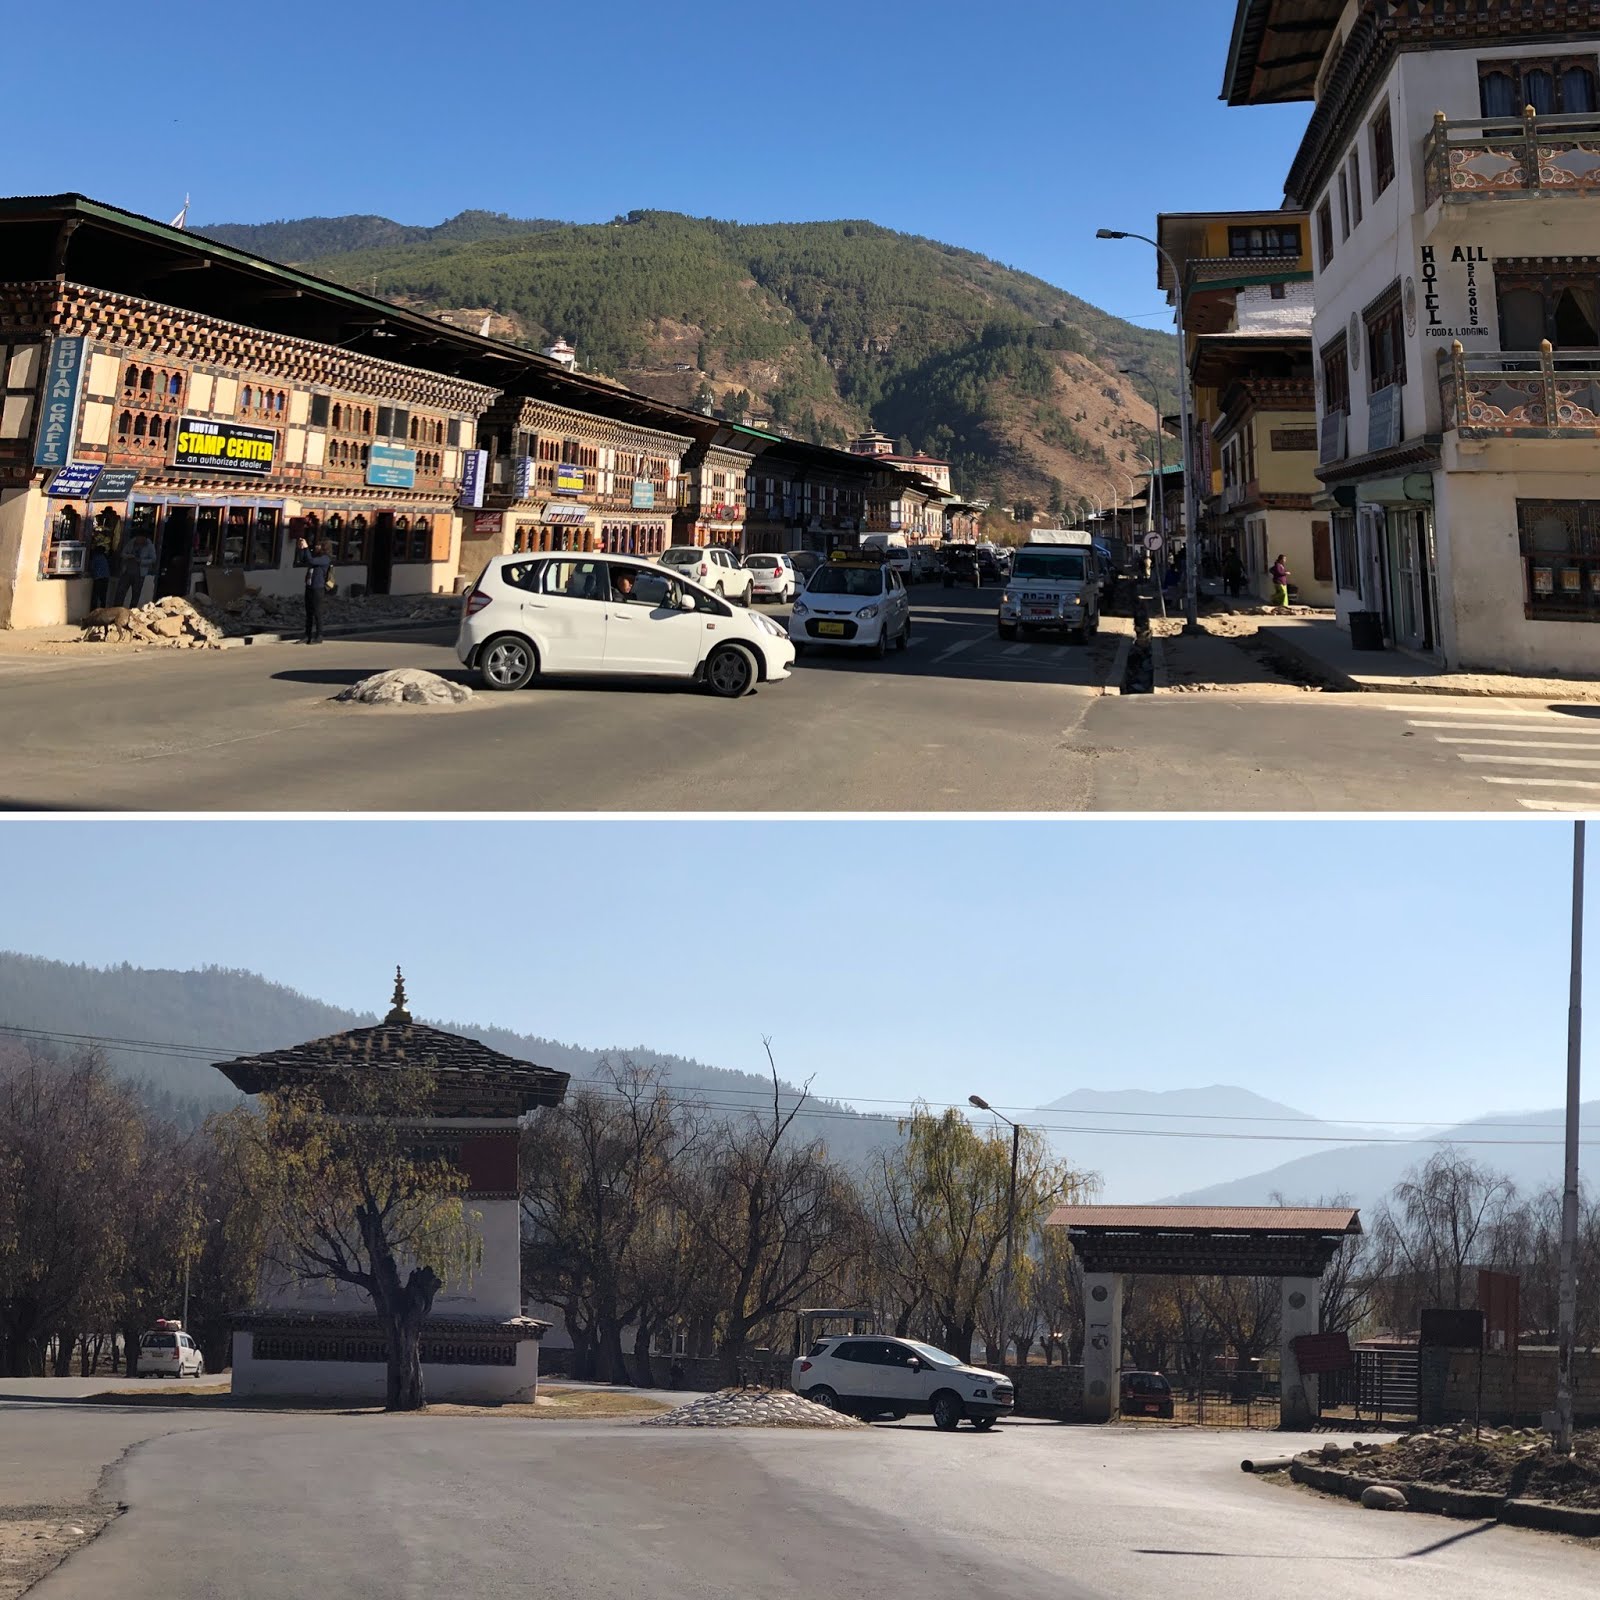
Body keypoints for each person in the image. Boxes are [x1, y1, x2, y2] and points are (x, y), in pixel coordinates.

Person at [298, 536, 332, 643]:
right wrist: (302, 548)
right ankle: (307, 635)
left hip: (318, 588)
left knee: (317, 612)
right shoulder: (316, 556)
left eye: (318, 545)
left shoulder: (325, 558)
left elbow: (311, 561)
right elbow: (304, 560)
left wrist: (307, 548)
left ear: (324, 547)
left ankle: (319, 635)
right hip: (309, 586)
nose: (316, 547)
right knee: (309, 612)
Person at [114, 530, 154, 610]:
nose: (138, 540)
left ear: (144, 538)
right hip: (127, 571)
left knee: (136, 594)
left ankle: (131, 612)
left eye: (140, 538)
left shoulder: (149, 546)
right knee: (120, 592)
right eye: (137, 538)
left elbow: (153, 559)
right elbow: (123, 554)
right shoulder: (131, 543)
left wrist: (141, 561)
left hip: (140, 573)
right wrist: (129, 556)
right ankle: (116, 610)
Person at [88, 545, 111, 611]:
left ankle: (93, 611)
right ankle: (102, 611)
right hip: (106, 578)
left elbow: (92, 568)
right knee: (103, 596)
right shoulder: (104, 558)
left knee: (95, 596)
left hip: (98, 578)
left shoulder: (96, 557)